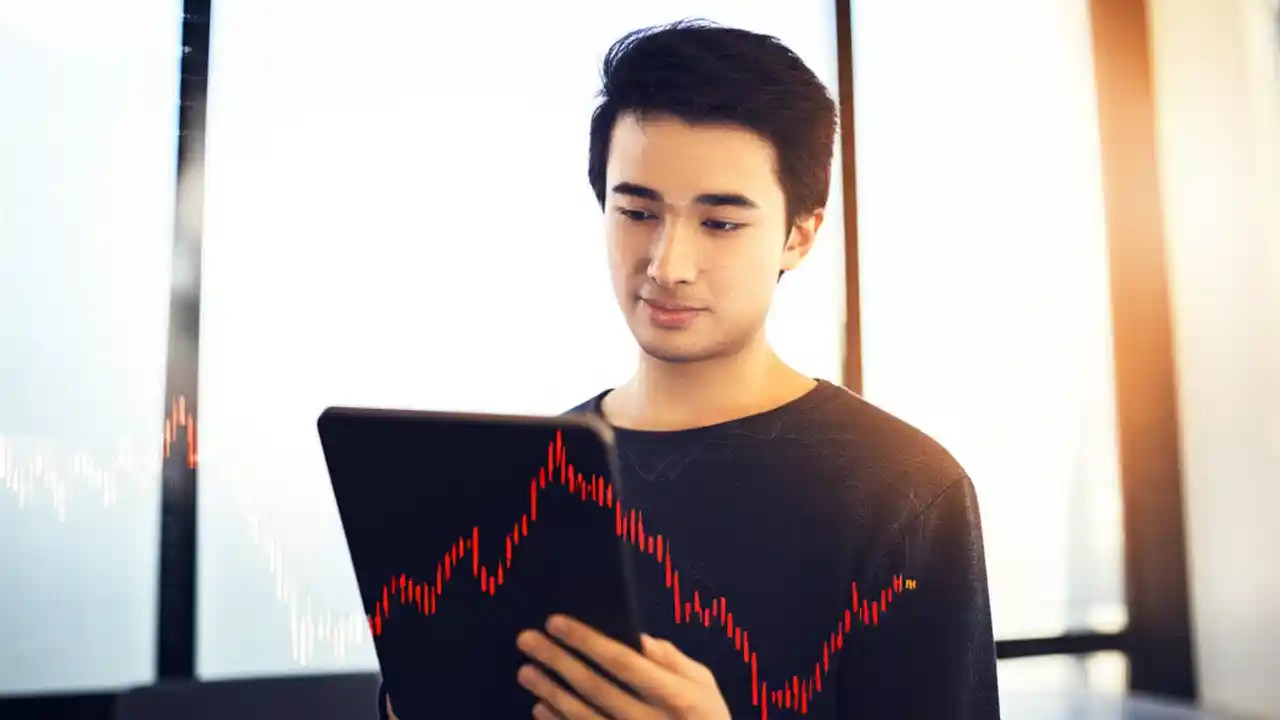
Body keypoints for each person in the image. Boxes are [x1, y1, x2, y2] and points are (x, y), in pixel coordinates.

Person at [383, 18, 999, 719]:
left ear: (800, 234)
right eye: (637, 212)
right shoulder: (525, 479)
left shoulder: (906, 491)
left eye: (721, 223)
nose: (667, 265)